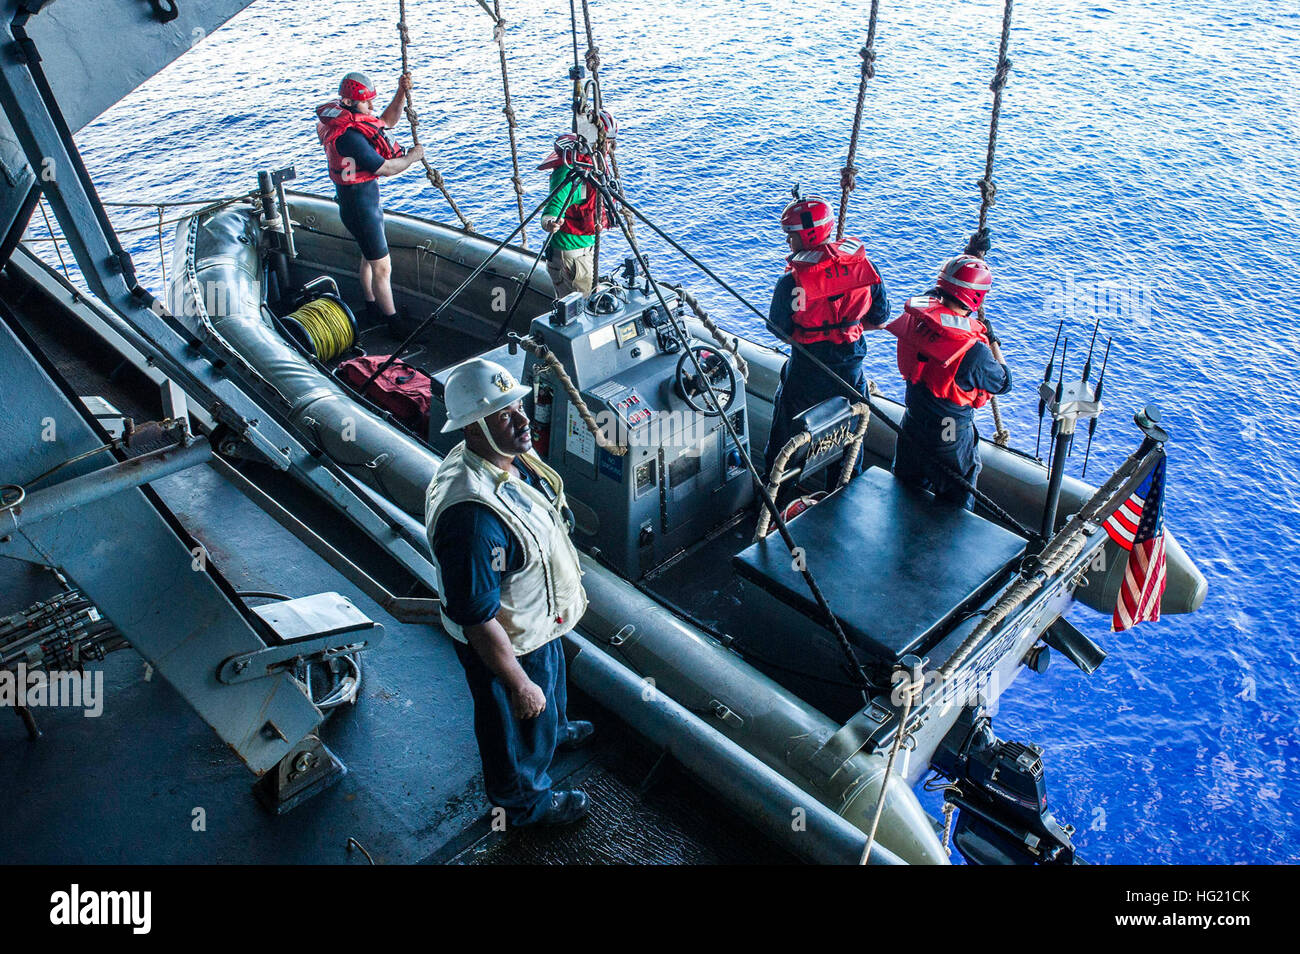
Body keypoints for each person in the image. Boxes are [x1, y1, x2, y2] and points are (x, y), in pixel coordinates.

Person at [425, 357, 594, 827]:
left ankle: (553, 731)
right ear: (473, 429)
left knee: (551, 686)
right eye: (504, 414)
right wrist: (518, 683)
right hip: (508, 640)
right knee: (514, 717)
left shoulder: (502, 458)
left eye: (517, 404)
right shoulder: (472, 519)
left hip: (537, 620)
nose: (523, 419)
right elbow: (477, 618)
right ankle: (522, 803)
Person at [762, 192, 890, 479]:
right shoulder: (865, 270)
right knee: (848, 448)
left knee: (784, 446)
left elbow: (778, 330)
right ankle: (841, 503)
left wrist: (811, 333)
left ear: (807, 237)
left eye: (791, 235)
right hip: (851, 375)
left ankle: (775, 506)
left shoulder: (790, 282)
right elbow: (880, 319)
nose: (787, 241)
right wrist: (847, 327)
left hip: (804, 376)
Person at [888, 233, 1012, 510]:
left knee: (904, 496)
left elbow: (938, 296)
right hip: (949, 437)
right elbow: (1003, 382)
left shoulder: (916, 317)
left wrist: (969, 254)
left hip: (912, 424)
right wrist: (992, 340)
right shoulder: (974, 352)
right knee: (956, 506)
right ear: (977, 298)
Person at [316, 71, 425, 329]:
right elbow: (384, 168)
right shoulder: (349, 137)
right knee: (382, 268)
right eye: (367, 103)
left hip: (357, 206)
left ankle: (372, 305)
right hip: (361, 210)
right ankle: (394, 323)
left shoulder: (350, 121)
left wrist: (401, 92)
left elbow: (387, 121)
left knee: (369, 258)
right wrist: (413, 156)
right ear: (351, 103)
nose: (372, 108)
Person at [538, 110, 618, 298]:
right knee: (582, 310)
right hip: (571, 255)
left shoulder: (595, 165)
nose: (609, 147)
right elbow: (551, 211)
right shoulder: (571, 171)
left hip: (584, 252)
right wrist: (551, 223)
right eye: (606, 142)